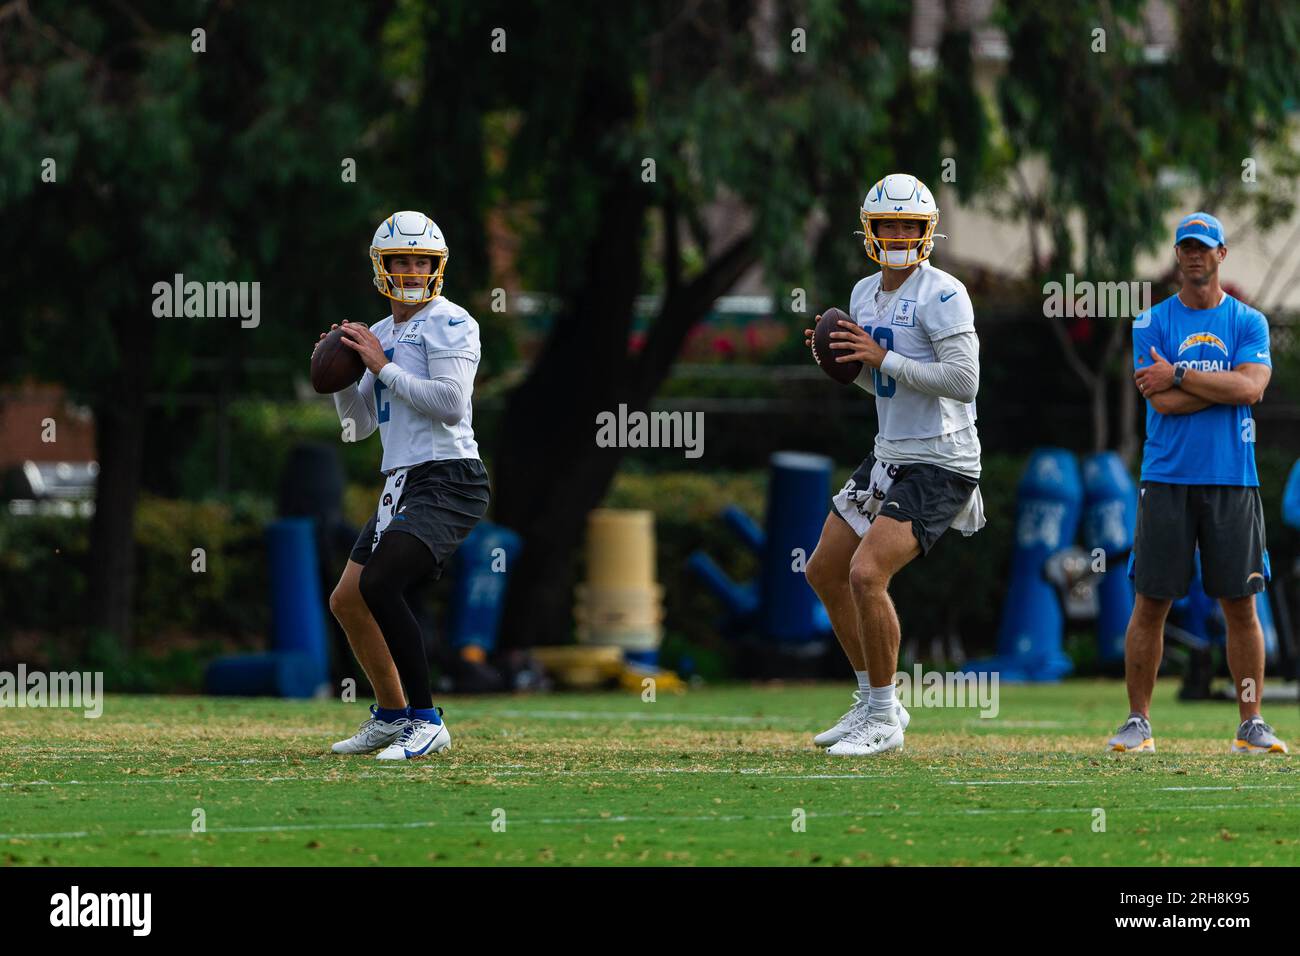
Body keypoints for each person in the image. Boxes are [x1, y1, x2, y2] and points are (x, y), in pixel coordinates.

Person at [803, 173, 985, 756]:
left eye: (910, 224)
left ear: (928, 231)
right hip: (889, 455)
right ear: (870, 231)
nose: (900, 234)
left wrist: (885, 356)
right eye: (889, 225)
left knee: (865, 573)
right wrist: (847, 363)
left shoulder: (945, 292)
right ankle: (872, 699)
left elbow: (963, 380)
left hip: (942, 460)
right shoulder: (862, 294)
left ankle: (884, 718)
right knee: (824, 571)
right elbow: (884, 384)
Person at [1110, 212, 1286, 754]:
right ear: (1178, 255)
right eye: (1186, 247)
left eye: (1204, 248)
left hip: (1234, 480)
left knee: (1240, 604)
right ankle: (1138, 721)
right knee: (1151, 601)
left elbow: (1251, 389)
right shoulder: (1150, 322)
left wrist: (1182, 374)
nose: (1194, 256)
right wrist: (1224, 383)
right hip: (1166, 478)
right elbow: (1158, 399)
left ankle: (1251, 723)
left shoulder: (1249, 322)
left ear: (1221, 255)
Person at [317, 210, 490, 760]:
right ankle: (392, 715)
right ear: (382, 266)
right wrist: (340, 374)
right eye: (401, 260)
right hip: (402, 477)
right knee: (348, 599)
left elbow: (450, 403)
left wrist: (381, 367)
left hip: (448, 476)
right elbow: (358, 426)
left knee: (382, 583)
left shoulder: (452, 321)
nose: (412, 270)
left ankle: (426, 718)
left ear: (436, 267)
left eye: (421, 260)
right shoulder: (382, 331)